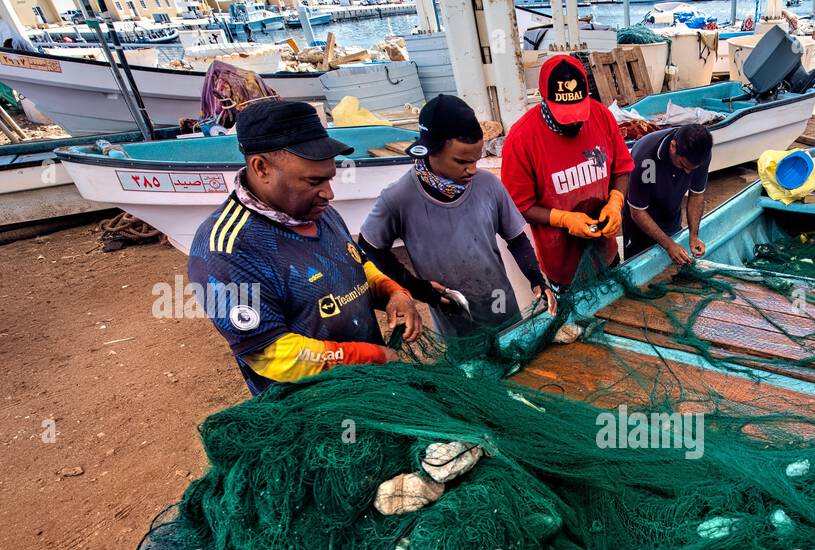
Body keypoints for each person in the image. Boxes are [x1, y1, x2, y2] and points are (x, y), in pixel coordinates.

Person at [188, 99, 417, 396]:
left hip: (371, 387)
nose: (328, 193)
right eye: (314, 181)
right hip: (312, 408)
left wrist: (393, 292)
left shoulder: (319, 212)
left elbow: (356, 264)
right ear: (262, 168)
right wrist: (368, 357)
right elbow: (272, 353)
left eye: (330, 178)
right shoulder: (226, 249)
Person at [358, 95, 557, 347]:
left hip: (502, 306)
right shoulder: (398, 198)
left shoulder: (489, 185)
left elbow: (516, 238)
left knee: (515, 361)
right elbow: (370, 245)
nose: (472, 169)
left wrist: (536, 279)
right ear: (431, 151)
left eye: (476, 160)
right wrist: (418, 288)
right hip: (455, 321)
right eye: (462, 162)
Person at [501, 54, 634, 289]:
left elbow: (622, 169)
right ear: (545, 99)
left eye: (578, 113)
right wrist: (563, 219)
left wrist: (616, 202)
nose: (573, 123)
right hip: (562, 266)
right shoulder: (521, 139)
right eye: (565, 115)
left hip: (606, 252)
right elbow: (520, 206)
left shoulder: (601, 115)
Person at [623, 123, 714, 263]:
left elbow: (696, 195)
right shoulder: (646, 159)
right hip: (639, 223)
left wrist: (694, 236)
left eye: (693, 169)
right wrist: (669, 245)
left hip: (671, 214)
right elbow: (637, 212)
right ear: (673, 147)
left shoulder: (701, 155)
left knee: (675, 261)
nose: (688, 173)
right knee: (638, 264)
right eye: (684, 166)